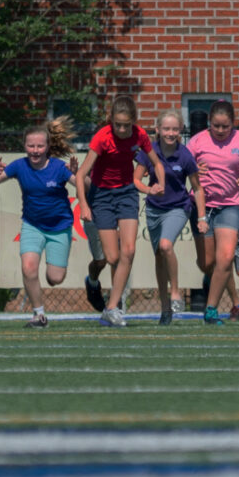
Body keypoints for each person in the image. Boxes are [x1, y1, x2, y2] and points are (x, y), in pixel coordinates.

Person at [0, 119, 83, 327]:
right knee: (28, 268)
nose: (35, 150)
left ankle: (53, 272)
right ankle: (39, 314)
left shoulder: (59, 167)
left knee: (55, 278)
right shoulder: (19, 165)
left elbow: (85, 186)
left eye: (40, 146)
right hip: (32, 225)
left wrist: (78, 175)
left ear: (48, 147)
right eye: (31, 146)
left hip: (59, 227)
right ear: (25, 146)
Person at [73, 101, 154, 324]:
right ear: (111, 121)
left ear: (133, 122)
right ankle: (94, 284)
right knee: (111, 258)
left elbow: (151, 158)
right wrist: (84, 205)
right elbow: (81, 175)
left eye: (126, 125)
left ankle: (113, 307)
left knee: (128, 251)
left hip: (127, 193)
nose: (121, 129)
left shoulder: (139, 135)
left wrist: (150, 173)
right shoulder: (102, 137)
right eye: (117, 124)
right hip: (101, 196)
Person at [187, 103, 239, 323]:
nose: (220, 130)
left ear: (233, 123)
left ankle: (211, 309)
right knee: (207, 263)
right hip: (202, 205)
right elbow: (182, 165)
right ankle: (221, 286)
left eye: (225, 126)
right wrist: (193, 169)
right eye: (216, 126)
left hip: (231, 204)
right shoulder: (197, 140)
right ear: (209, 122)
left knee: (226, 257)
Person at [139, 111, 198, 324]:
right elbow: (136, 180)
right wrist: (149, 190)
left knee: (165, 245)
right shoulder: (149, 152)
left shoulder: (185, 155)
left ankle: (175, 292)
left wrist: (201, 217)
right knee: (159, 255)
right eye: (166, 129)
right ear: (158, 130)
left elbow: (198, 188)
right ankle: (165, 308)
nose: (171, 133)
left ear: (180, 130)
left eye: (175, 129)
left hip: (178, 208)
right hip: (154, 209)